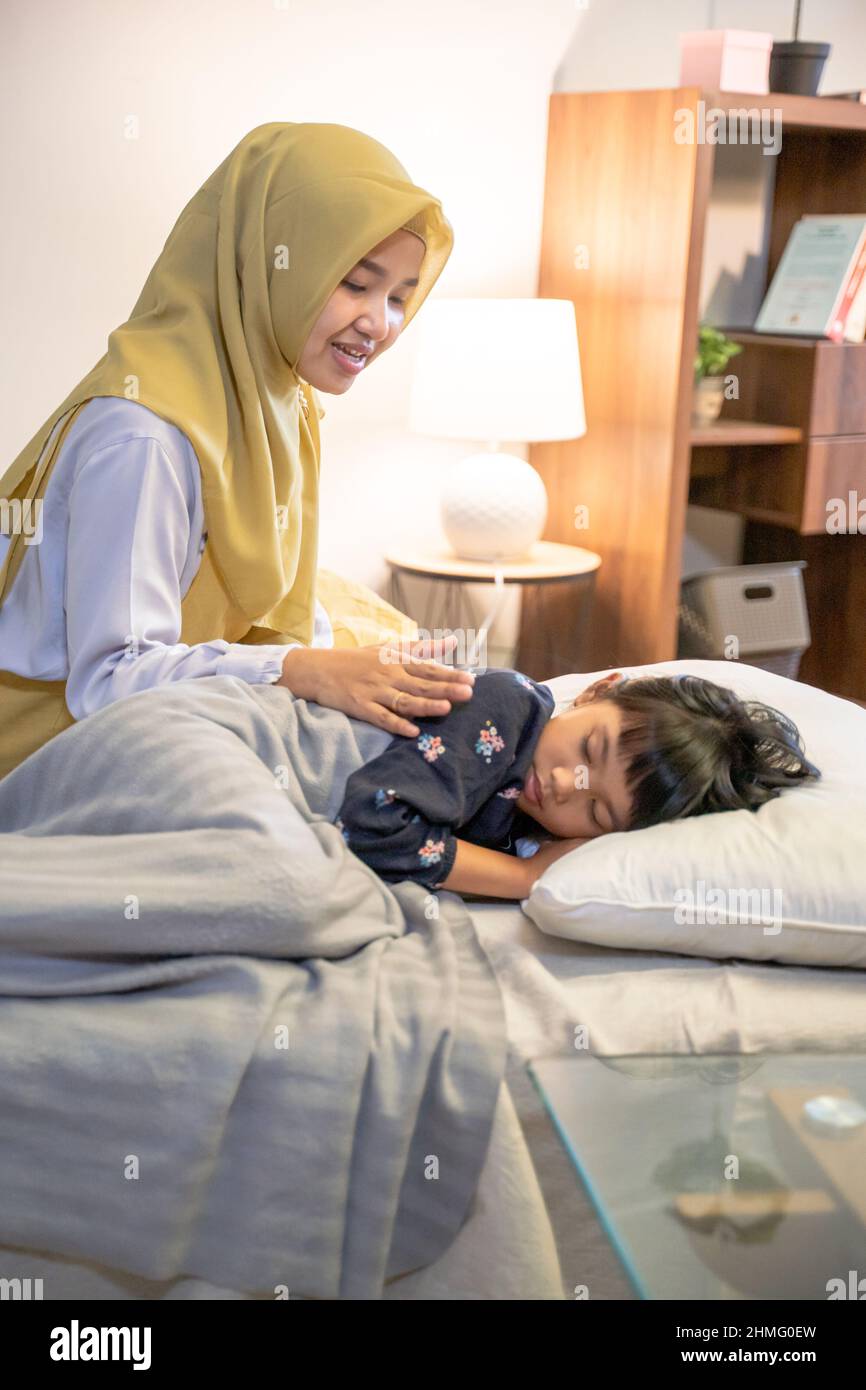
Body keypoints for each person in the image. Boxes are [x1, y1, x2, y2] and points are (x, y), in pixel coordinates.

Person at [0, 122, 475, 781]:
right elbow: (109, 680)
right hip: (50, 753)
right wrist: (306, 672)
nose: (380, 323)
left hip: (177, 725)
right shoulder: (143, 435)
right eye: (356, 284)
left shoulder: (283, 404)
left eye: (399, 295)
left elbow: (283, 616)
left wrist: (349, 670)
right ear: (273, 259)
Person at [335, 667, 823, 901]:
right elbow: (376, 828)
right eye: (589, 748)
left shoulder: (519, 825)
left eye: (597, 812)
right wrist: (522, 878)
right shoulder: (510, 709)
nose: (565, 785)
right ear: (599, 690)